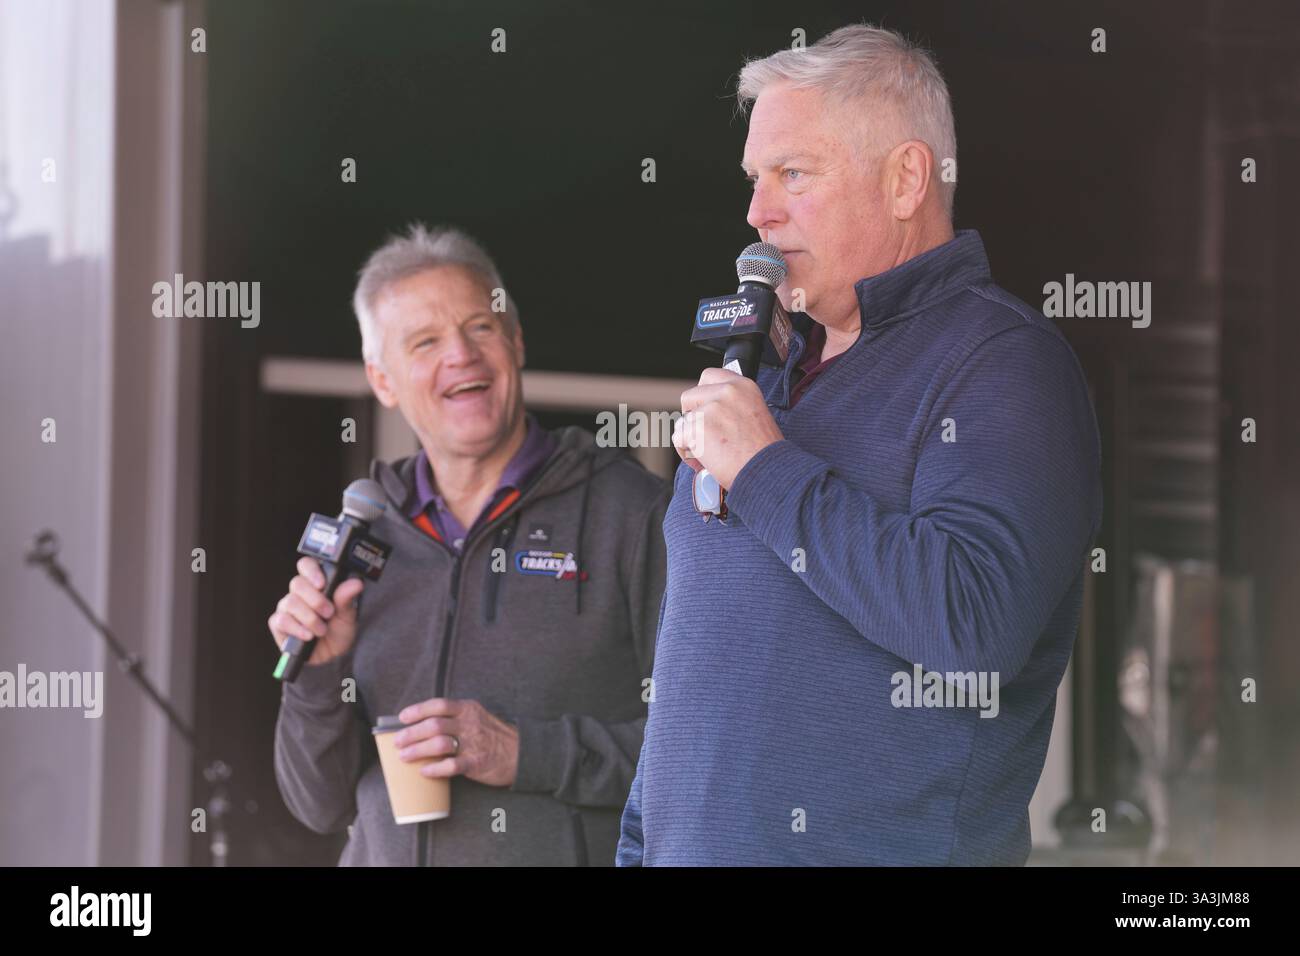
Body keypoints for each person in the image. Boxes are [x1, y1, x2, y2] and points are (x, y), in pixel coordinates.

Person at [617, 25, 1102, 865]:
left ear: (907, 178)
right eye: (755, 180)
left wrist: (766, 470)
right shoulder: (765, 381)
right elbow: (695, 682)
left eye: (792, 174)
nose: (756, 213)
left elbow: (973, 622)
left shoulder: (1004, 363)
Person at [271, 224, 668, 865]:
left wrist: (524, 754)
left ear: (515, 340)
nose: (460, 355)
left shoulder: (632, 514)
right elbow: (317, 805)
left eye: (480, 327)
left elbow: (706, 749)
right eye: (425, 342)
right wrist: (318, 676)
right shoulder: (363, 532)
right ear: (383, 380)